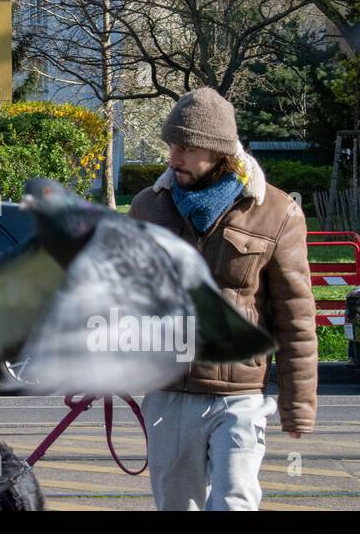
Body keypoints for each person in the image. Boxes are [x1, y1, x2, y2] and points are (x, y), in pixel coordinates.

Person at [128, 88, 317, 511]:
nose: (173, 157)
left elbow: (296, 317)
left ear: (218, 153)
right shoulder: (147, 207)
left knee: (235, 502)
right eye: (170, 144)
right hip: (168, 394)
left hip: (241, 396)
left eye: (186, 147)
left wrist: (297, 405)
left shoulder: (277, 211)